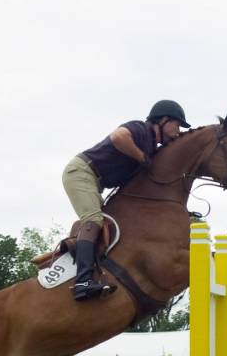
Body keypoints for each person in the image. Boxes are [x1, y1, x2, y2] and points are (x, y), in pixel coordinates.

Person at [62, 99, 191, 301]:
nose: (179, 130)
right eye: (177, 124)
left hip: (95, 181)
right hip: (81, 171)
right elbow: (118, 137)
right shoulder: (141, 129)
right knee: (94, 221)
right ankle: (82, 282)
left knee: (104, 224)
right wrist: (142, 157)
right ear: (163, 120)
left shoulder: (152, 146)